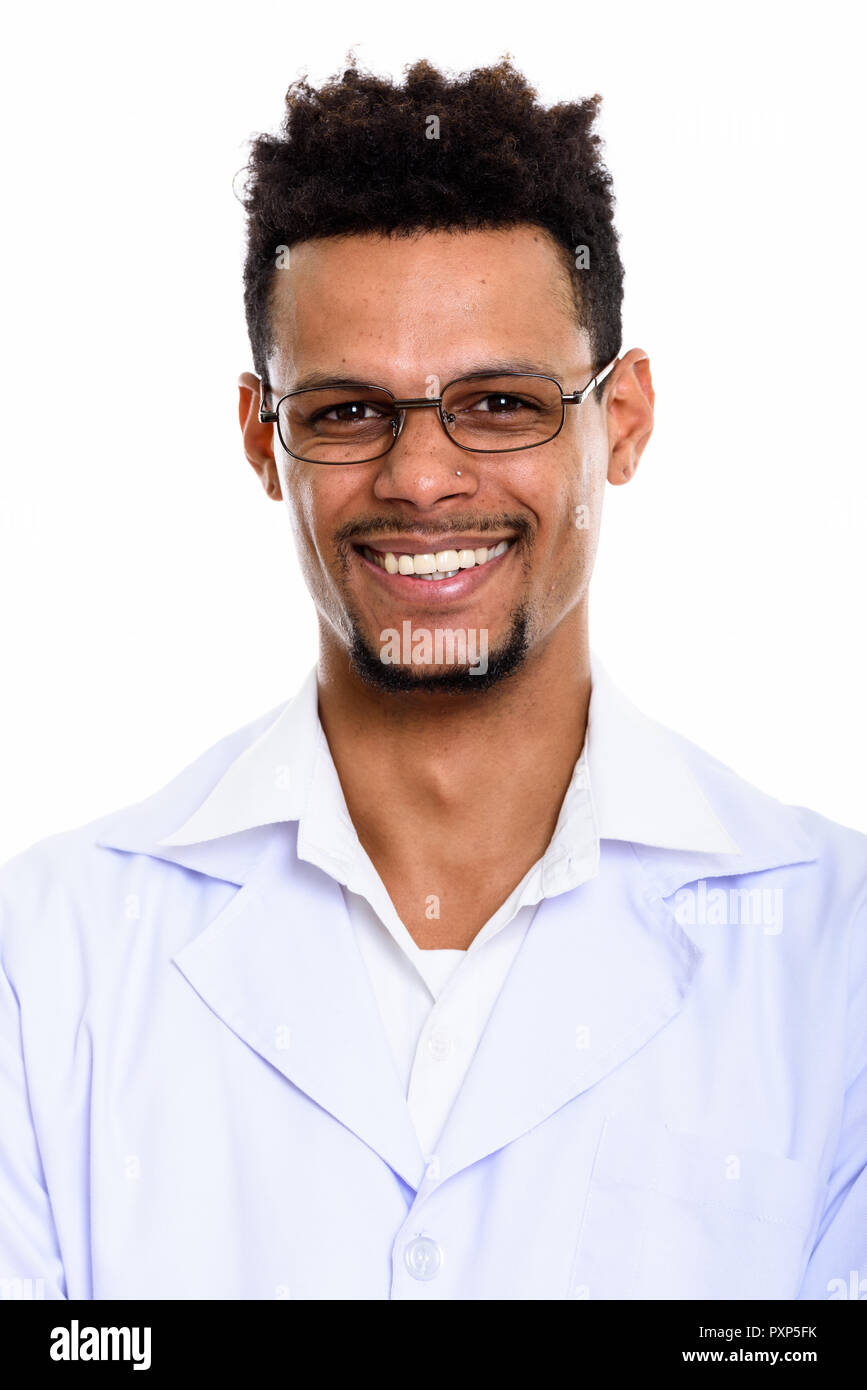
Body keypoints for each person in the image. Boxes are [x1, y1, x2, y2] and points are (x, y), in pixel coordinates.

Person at [1, 58, 864, 1303]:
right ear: (262, 439)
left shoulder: (837, 953)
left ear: (622, 419)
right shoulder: (51, 963)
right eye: (349, 412)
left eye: (500, 403)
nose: (420, 478)